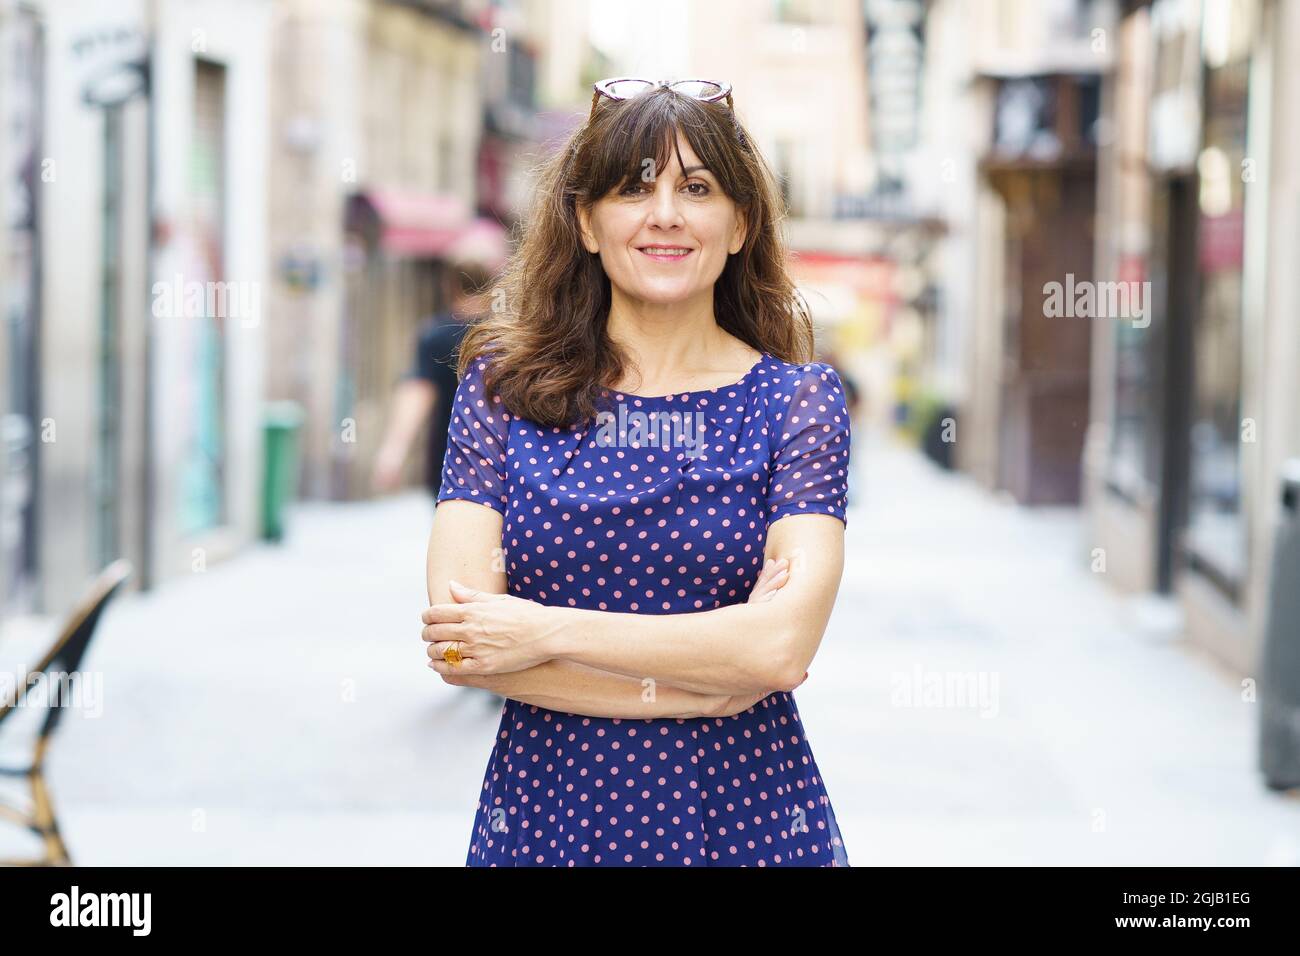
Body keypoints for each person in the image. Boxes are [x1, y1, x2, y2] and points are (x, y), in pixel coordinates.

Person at [421, 79, 852, 866]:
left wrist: (541, 631)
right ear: (586, 222)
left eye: (697, 188)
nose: (665, 214)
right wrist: (718, 682)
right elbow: (462, 649)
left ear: (739, 224)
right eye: (632, 188)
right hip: (548, 820)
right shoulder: (500, 388)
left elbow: (780, 653)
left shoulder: (798, 403)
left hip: (745, 823)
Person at [370, 261, 494, 498]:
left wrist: (394, 451)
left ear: (451, 286)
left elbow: (418, 392)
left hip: (452, 461)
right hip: (502, 462)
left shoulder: (436, 336)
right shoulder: (506, 336)